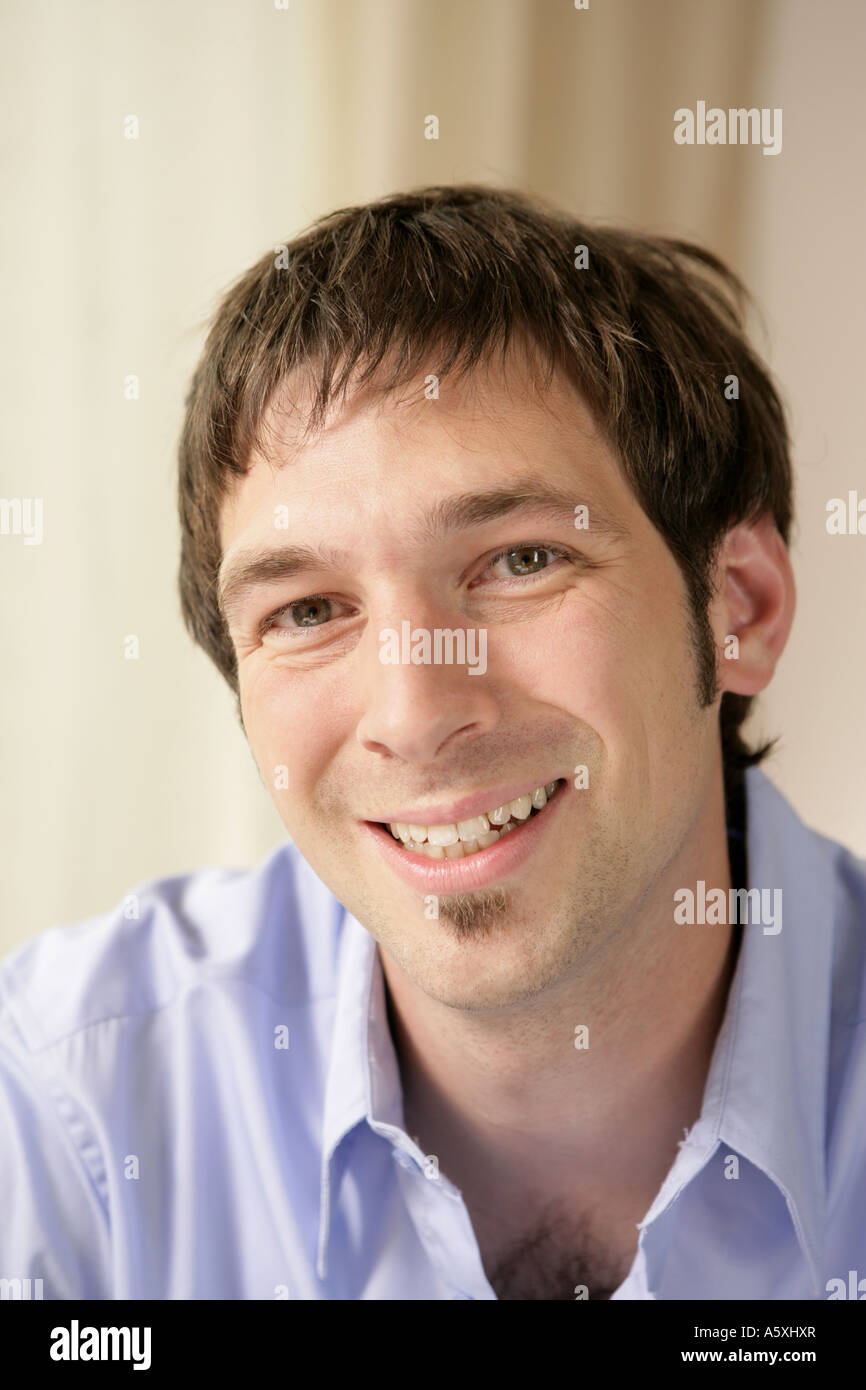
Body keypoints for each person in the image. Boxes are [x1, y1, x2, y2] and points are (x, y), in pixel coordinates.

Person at [2, 185, 864, 1301]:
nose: (413, 713)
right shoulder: (66, 1106)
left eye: (519, 561)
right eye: (307, 611)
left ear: (736, 607)